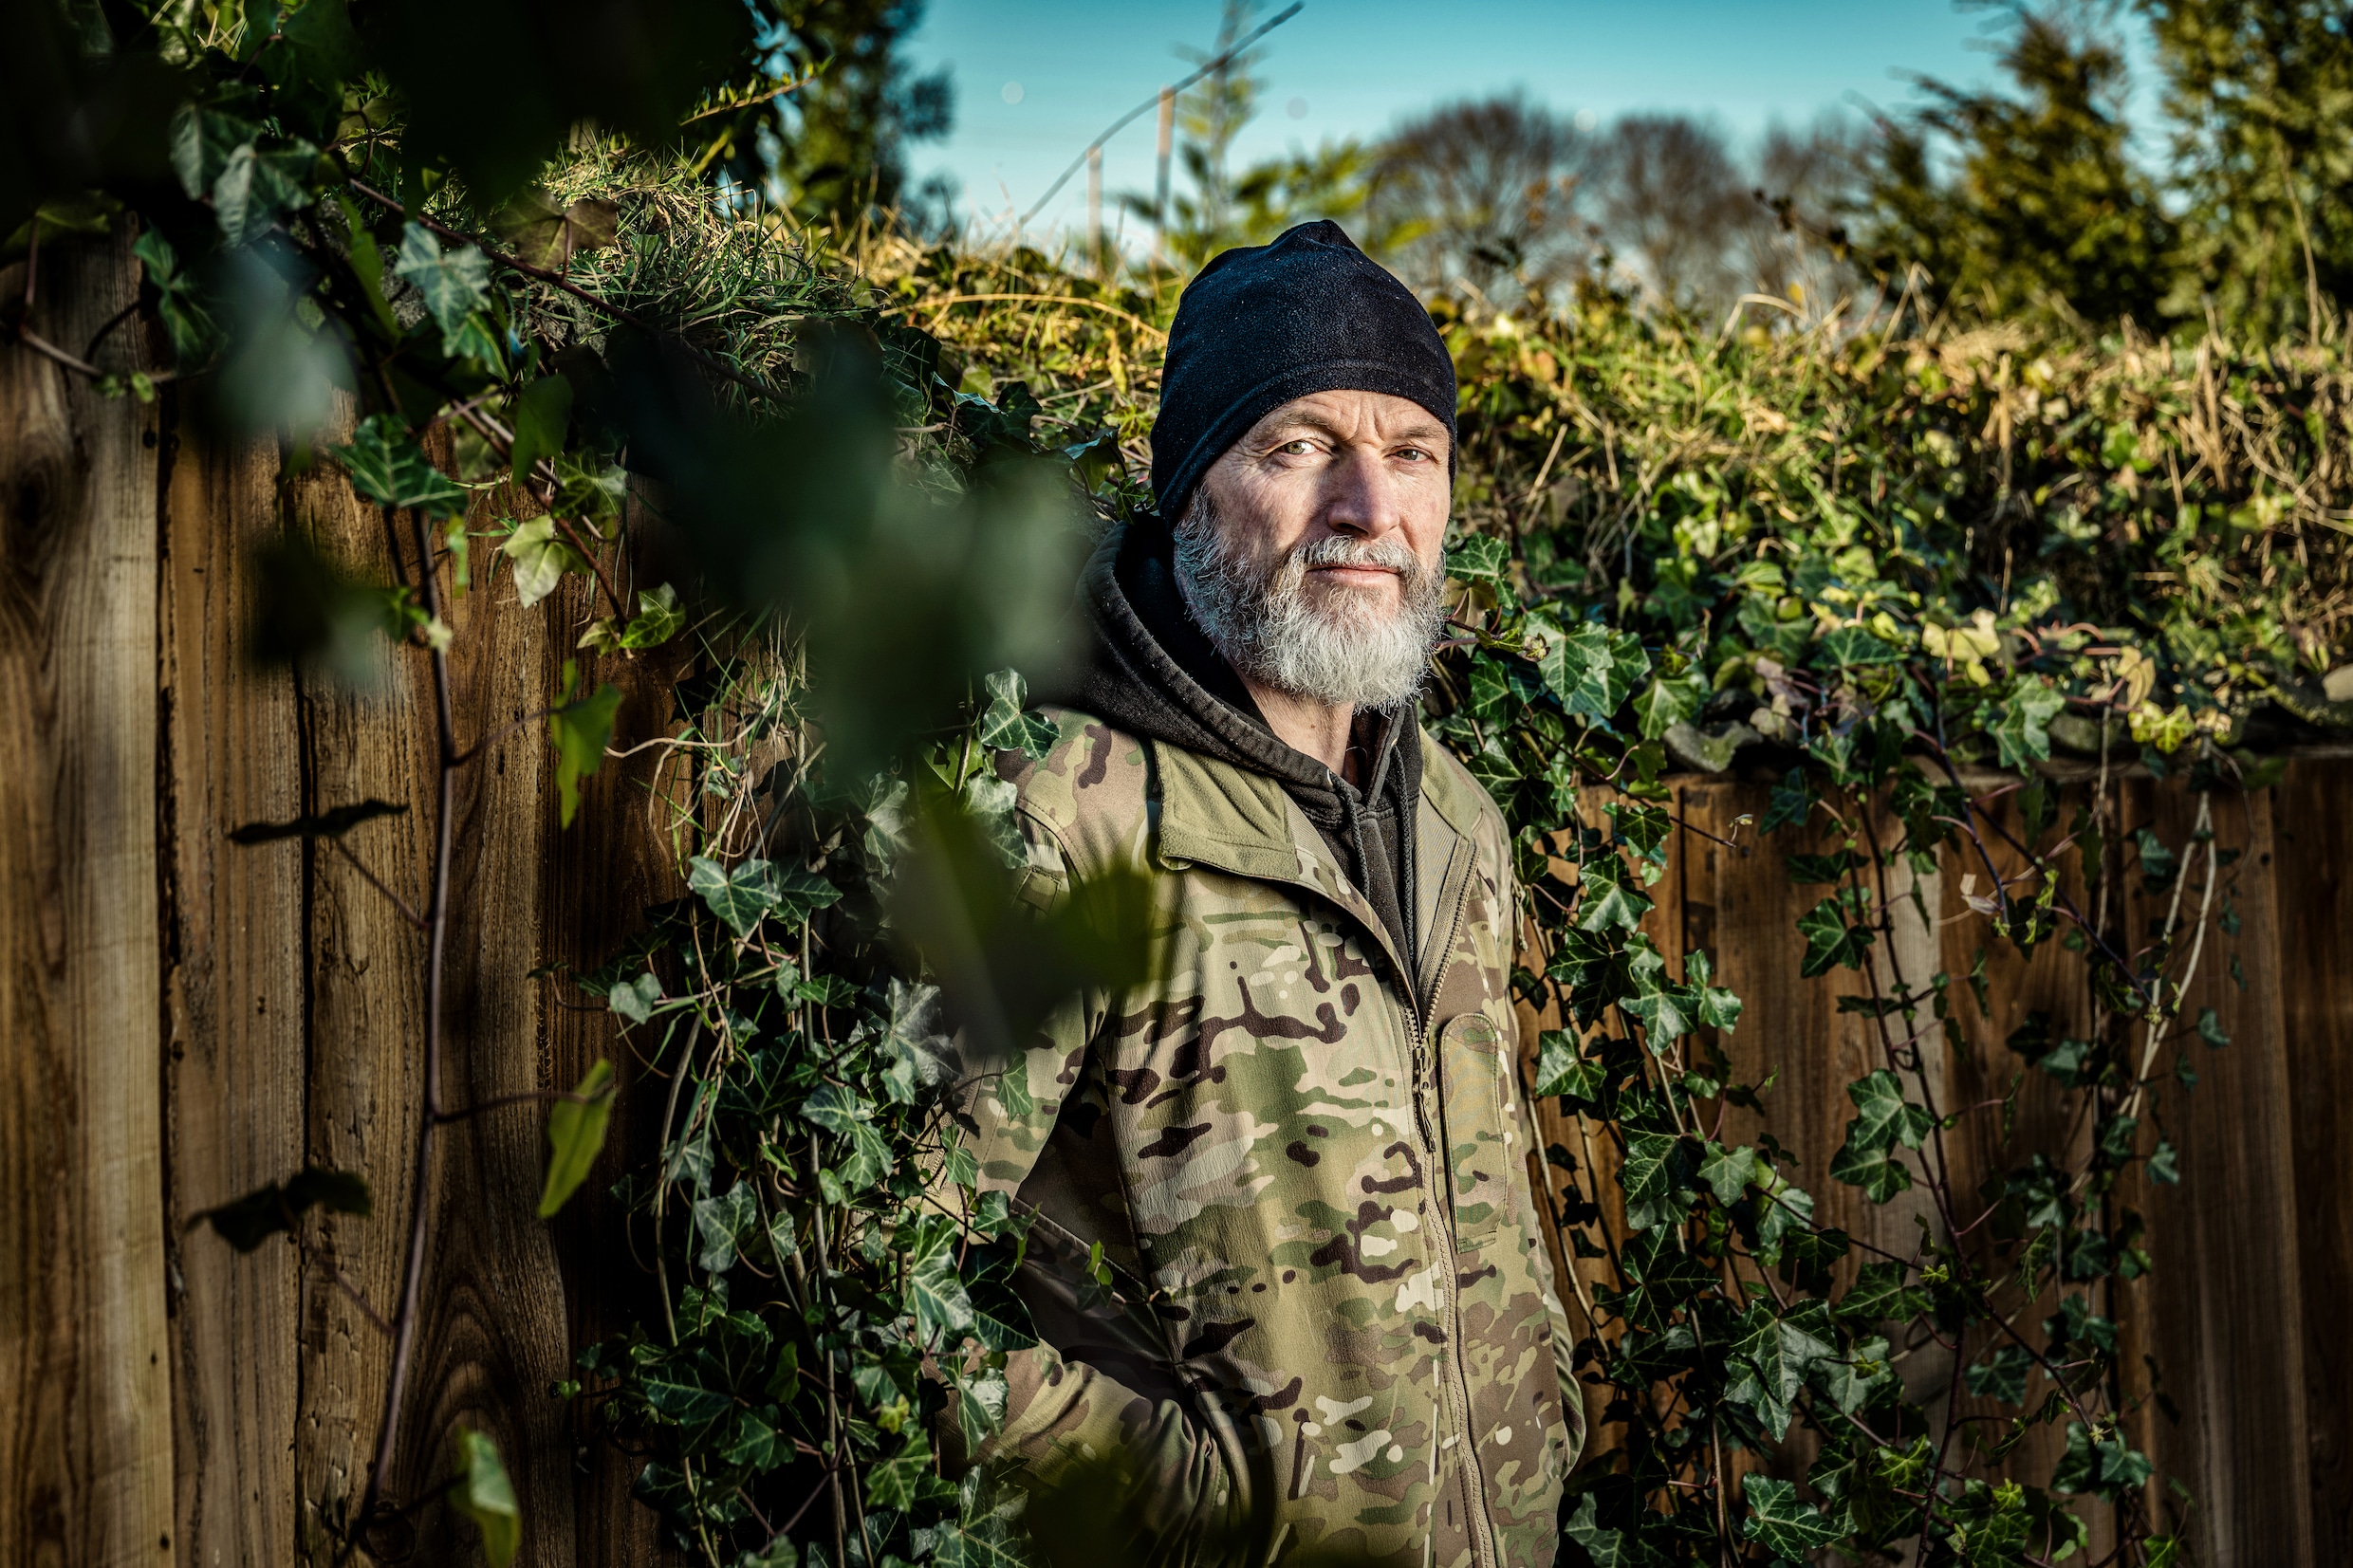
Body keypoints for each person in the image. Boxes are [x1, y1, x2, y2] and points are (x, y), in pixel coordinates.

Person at [951, 220, 1582, 1567]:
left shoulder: (1461, 823)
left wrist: (1545, 1422)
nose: (1368, 506)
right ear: (1190, 490)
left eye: (1412, 453)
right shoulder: (1065, 824)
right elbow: (867, 1263)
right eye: (1299, 446)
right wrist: (1195, 1503)